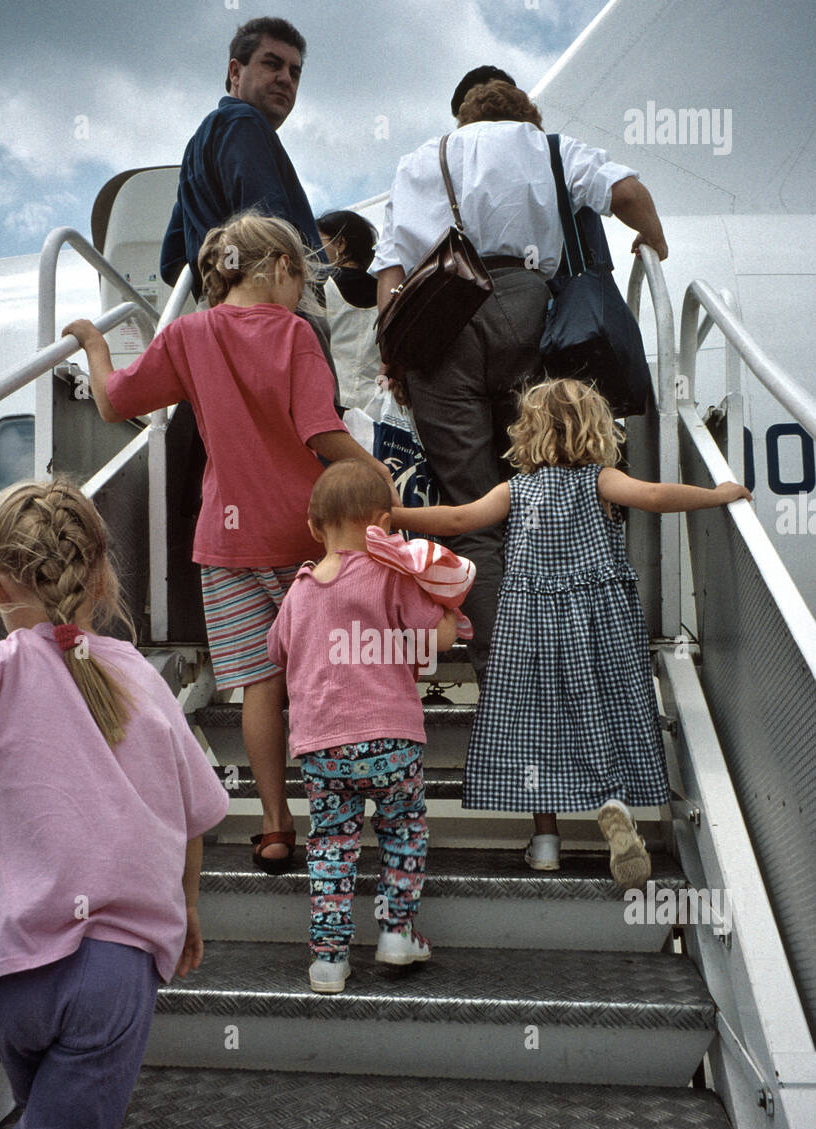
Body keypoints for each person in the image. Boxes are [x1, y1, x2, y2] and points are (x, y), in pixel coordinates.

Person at [0, 480, 229, 1129]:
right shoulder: (141, 681)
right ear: (101, 574)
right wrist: (187, 913)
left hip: (10, 975)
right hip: (108, 973)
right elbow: (195, 817)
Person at [63, 213, 397, 872]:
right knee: (331, 680)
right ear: (277, 269)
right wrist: (377, 473)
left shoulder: (187, 334)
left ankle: (275, 827)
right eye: (300, 275)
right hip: (309, 540)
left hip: (226, 542)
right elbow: (319, 430)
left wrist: (92, 345)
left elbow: (112, 403)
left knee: (260, 689)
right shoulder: (297, 335)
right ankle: (345, 816)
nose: (303, 291)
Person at [390, 379, 752, 886]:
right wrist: (715, 495)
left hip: (529, 629)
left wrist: (393, 516)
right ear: (595, 430)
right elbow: (654, 496)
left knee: (538, 726)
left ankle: (544, 844)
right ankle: (611, 802)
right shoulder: (600, 481)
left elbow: (458, 517)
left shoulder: (514, 490)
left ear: (528, 434)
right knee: (600, 706)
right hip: (597, 626)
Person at [371, 78, 669, 683]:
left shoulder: (421, 160)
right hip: (530, 311)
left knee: (472, 506)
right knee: (550, 495)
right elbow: (628, 191)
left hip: (439, 324)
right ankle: (569, 668)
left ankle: (506, 678)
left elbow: (392, 268)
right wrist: (654, 238)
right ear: (525, 113)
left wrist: (395, 352)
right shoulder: (551, 148)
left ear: (462, 117)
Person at [266, 460, 459, 993]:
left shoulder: (300, 590)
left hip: (323, 748)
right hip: (392, 741)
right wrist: (446, 613)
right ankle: (396, 930)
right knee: (402, 829)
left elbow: (277, 652)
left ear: (313, 528)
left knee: (331, 843)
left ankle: (328, 959)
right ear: (384, 524)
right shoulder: (391, 576)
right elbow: (436, 643)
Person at [161, 16, 322, 301]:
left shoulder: (198, 146)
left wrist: (217, 294)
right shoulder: (243, 122)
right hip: (275, 317)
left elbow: (171, 260)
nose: (286, 78)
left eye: (294, 72)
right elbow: (270, 241)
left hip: (224, 315)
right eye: (272, 64)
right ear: (235, 72)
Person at [317, 209, 381, 410]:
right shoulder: (387, 291)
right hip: (377, 406)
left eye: (319, 241)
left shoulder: (319, 288)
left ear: (340, 244)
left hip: (331, 402)